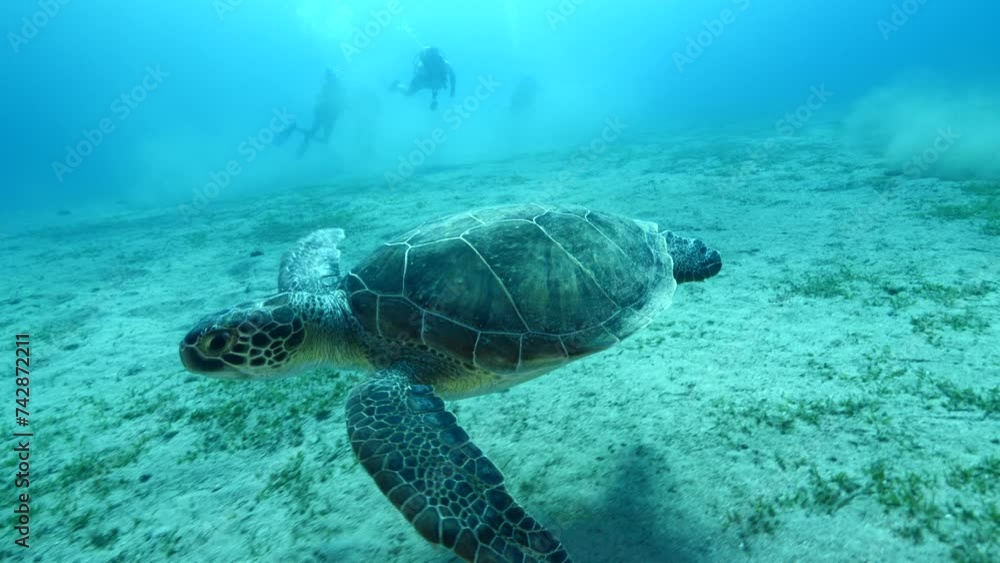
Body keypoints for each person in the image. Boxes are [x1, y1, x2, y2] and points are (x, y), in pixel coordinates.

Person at [276, 68, 344, 156]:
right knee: (324, 139)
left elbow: (322, 99)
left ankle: (298, 136)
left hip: (322, 114)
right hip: (329, 116)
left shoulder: (328, 86)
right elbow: (336, 102)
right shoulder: (335, 87)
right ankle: (300, 141)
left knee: (314, 133)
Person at [389, 46, 456, 110]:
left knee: (409, 92)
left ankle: (397, 86)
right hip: (431, 83)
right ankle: (397, 85)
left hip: (429, 83)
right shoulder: (444, 64)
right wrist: (452, 88)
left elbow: (450, 75)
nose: (433, 61)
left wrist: (452, 88)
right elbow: (452, 75)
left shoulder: (441, 64)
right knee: (410, 92)